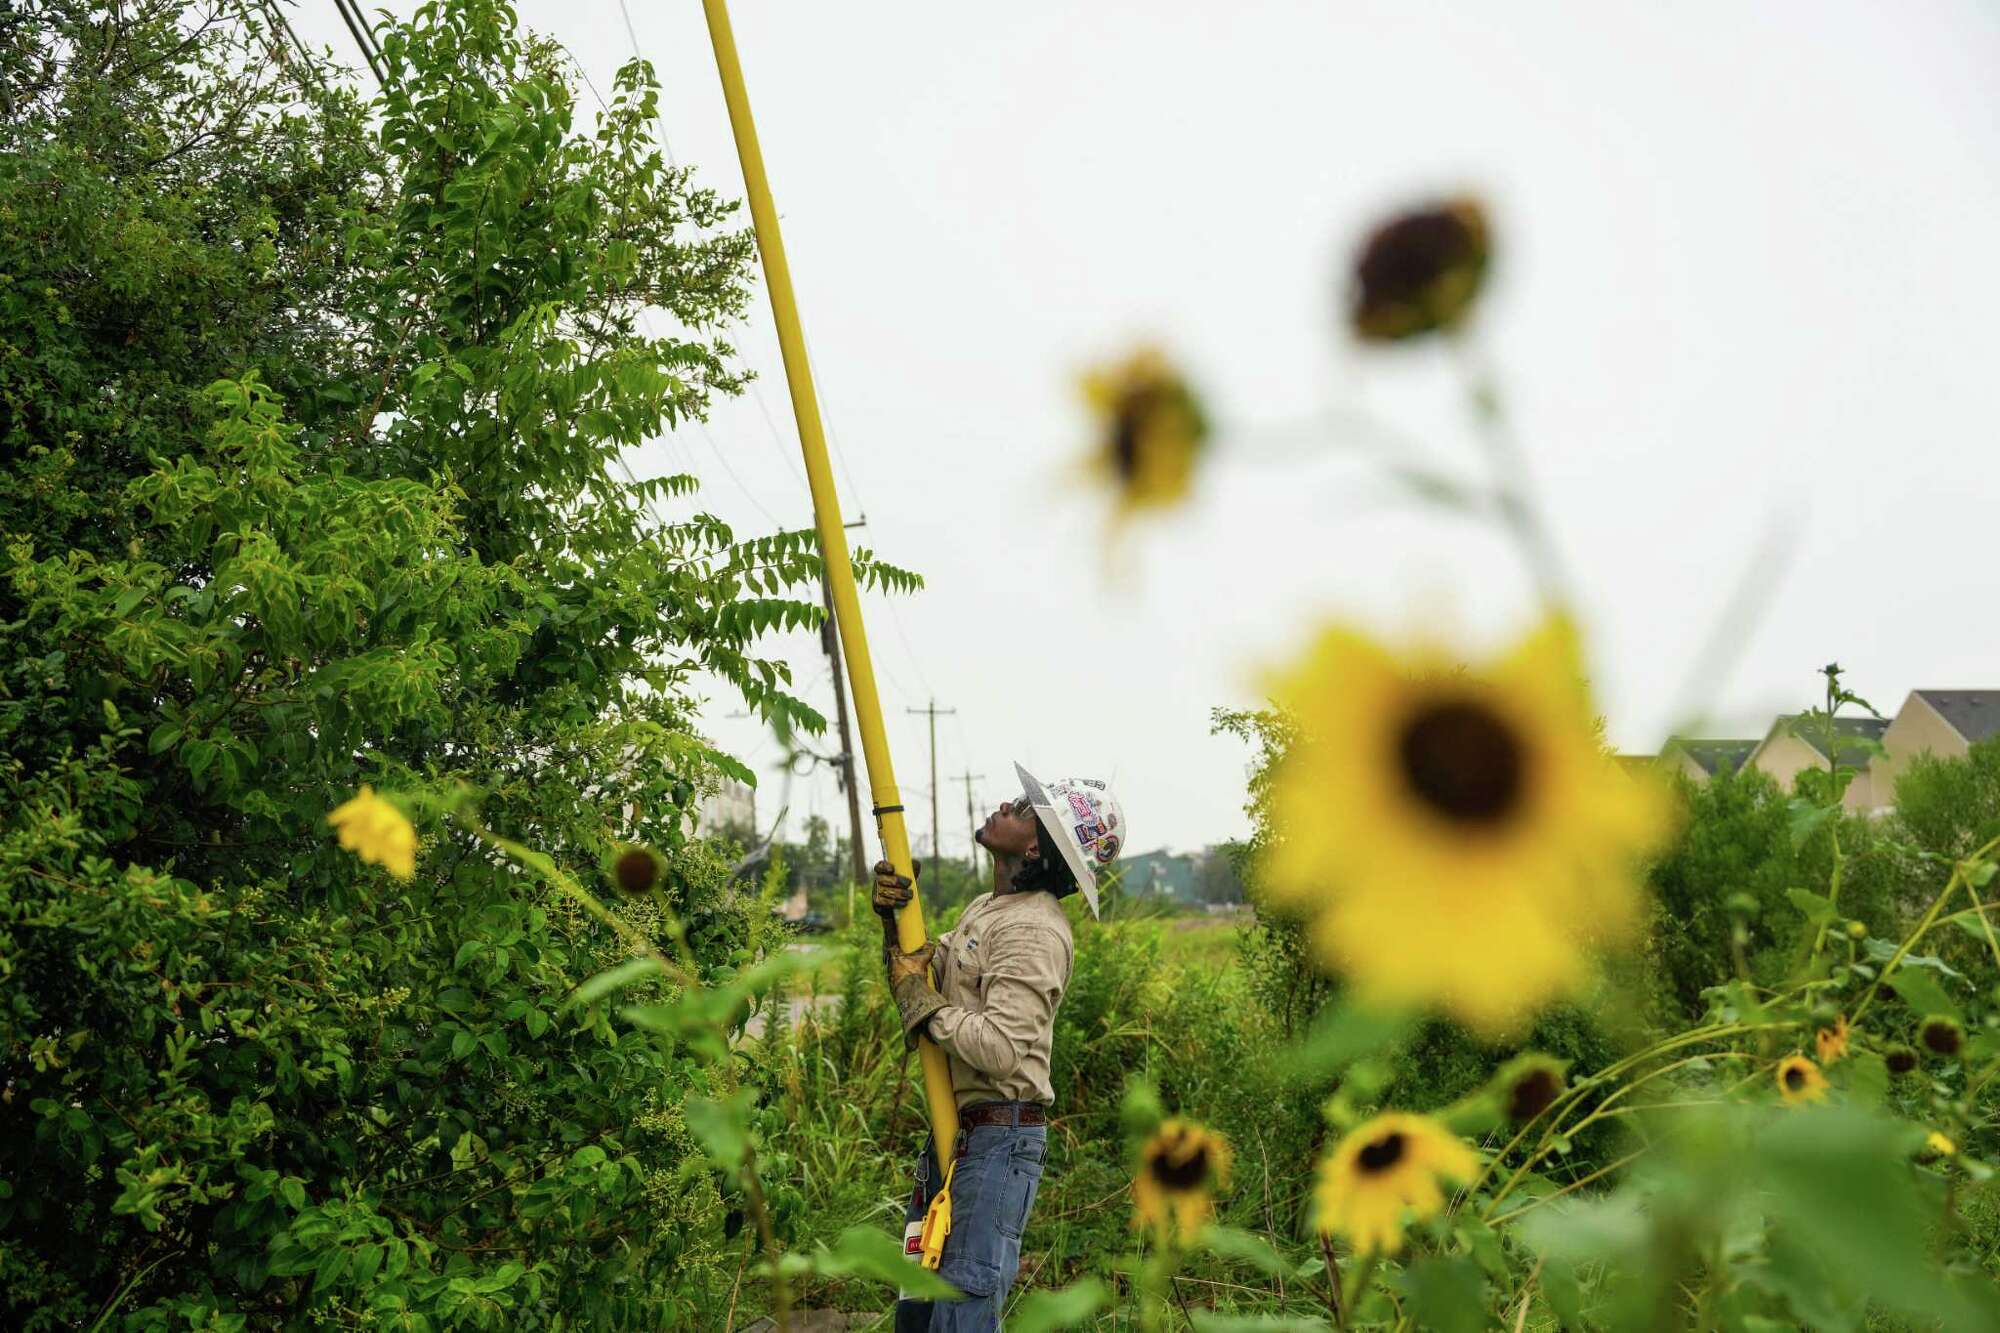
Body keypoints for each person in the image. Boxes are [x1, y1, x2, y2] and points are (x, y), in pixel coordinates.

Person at [874, 763, 1125, 1333]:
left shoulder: (1033, 930)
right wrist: (892, 921)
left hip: (997, 1143)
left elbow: (1000, 1047)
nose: (1006, 806)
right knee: (921, 1306)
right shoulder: (988, 911)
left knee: (962, 1310)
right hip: (961, 1134)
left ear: (1036, 847)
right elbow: (919, 978)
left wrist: (923, 999)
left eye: (1022, 807)